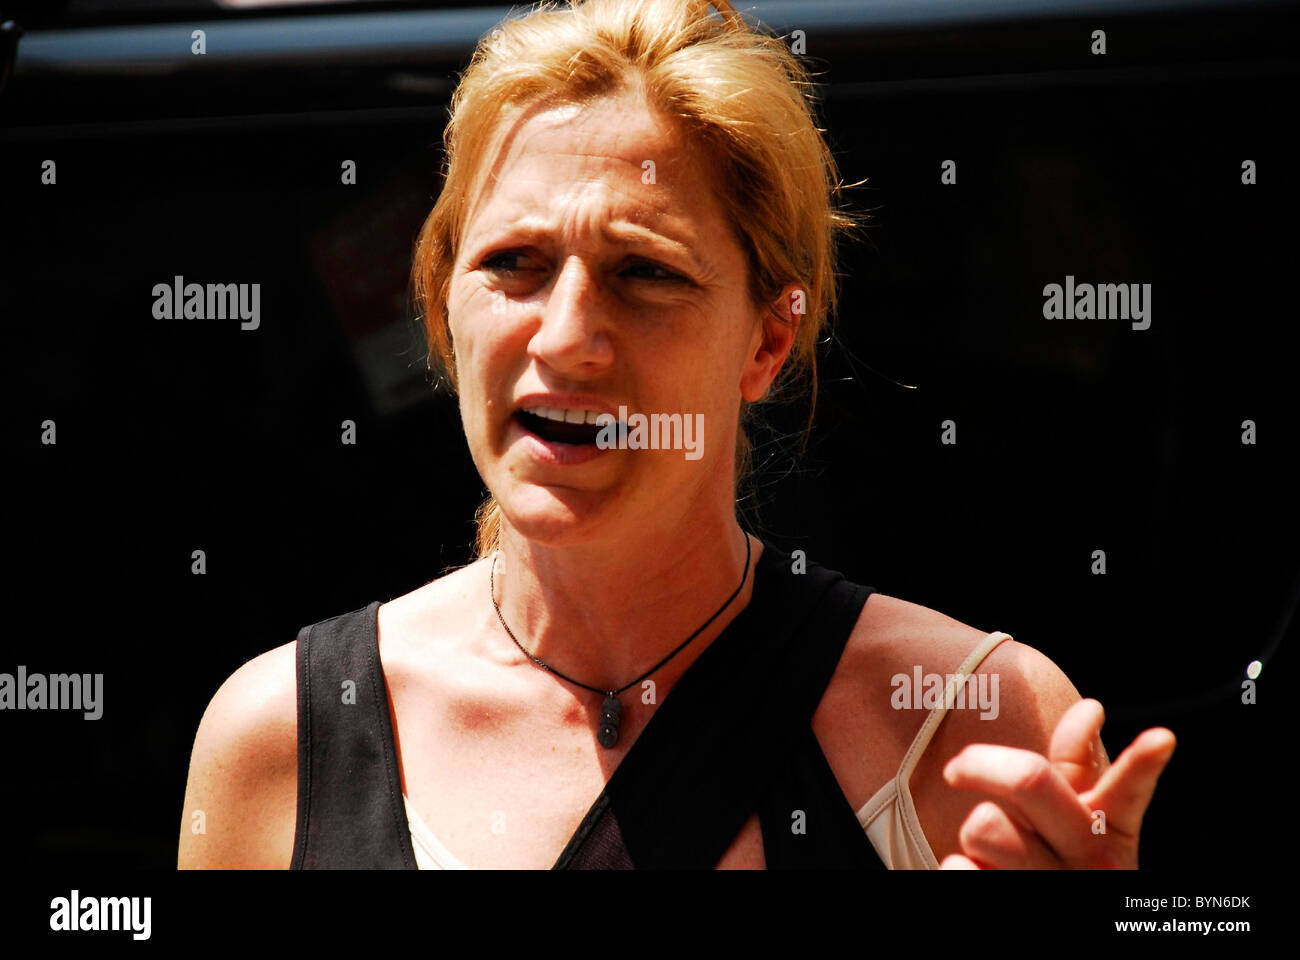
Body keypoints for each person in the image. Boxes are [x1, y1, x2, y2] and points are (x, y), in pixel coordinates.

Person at [177, 0, 1175, 870]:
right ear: (443, 310)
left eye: (645, 271)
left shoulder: (965, 723)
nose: (565, 339)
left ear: (767, 340)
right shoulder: (282, 740)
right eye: (515, 261)